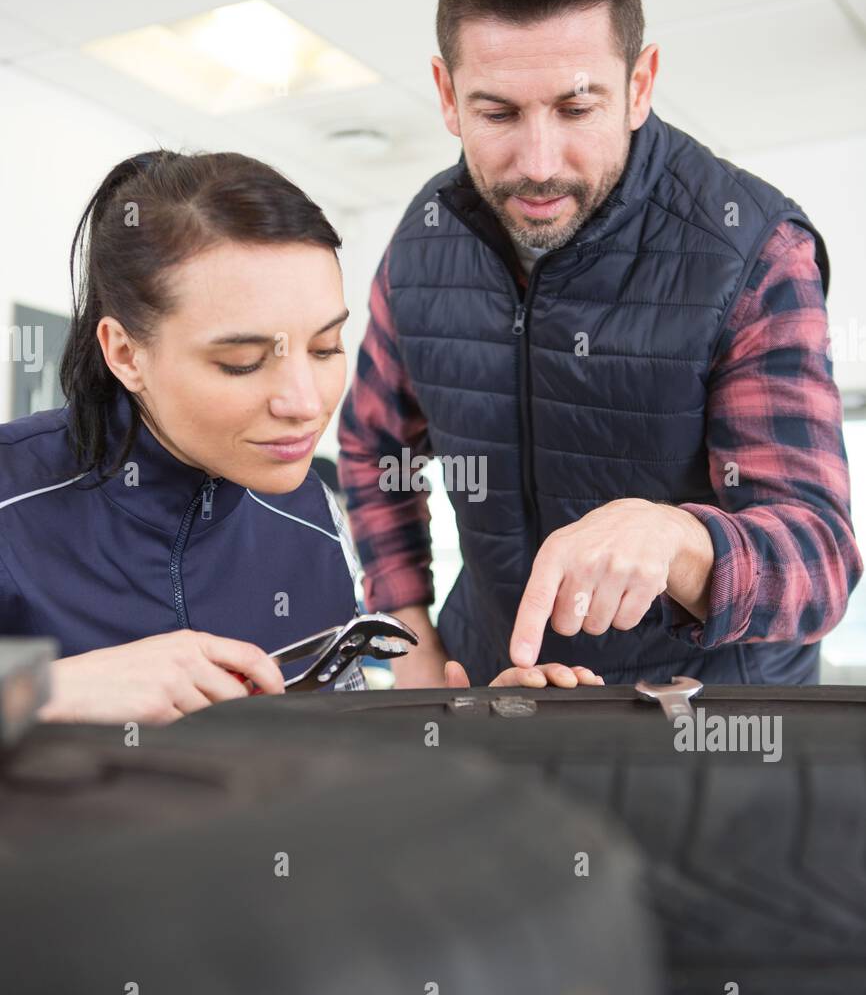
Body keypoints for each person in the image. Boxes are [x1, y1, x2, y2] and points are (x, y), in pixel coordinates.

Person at [338, 0, 863, 689]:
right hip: (493, 697)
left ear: (640, 82)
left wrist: (684, 545)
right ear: (447, 96)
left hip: (704, 735)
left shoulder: (753, 249)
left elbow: (820, 562)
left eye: (577, 106)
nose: (539, 161)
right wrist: (407, 628)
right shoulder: (421, 242)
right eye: (499, 113)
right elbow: (375, 450)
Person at [0, 150, 601, 726]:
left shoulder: (310, 513)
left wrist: (457, 734)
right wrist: (46, 691)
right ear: (126, 354)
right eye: (241, 360)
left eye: (325, 348)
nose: (307, 404)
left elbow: (322, 767)